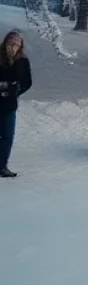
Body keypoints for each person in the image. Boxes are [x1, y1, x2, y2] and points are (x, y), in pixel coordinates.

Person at [0, 31, 32, 179]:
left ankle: (1, 166)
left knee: (7, 137)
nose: (12, 48)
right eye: (10, 44)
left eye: (16, 45)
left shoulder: (22, 61)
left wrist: (15, 91)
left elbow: (27, 82)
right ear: (5, 43)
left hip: (9, 104)